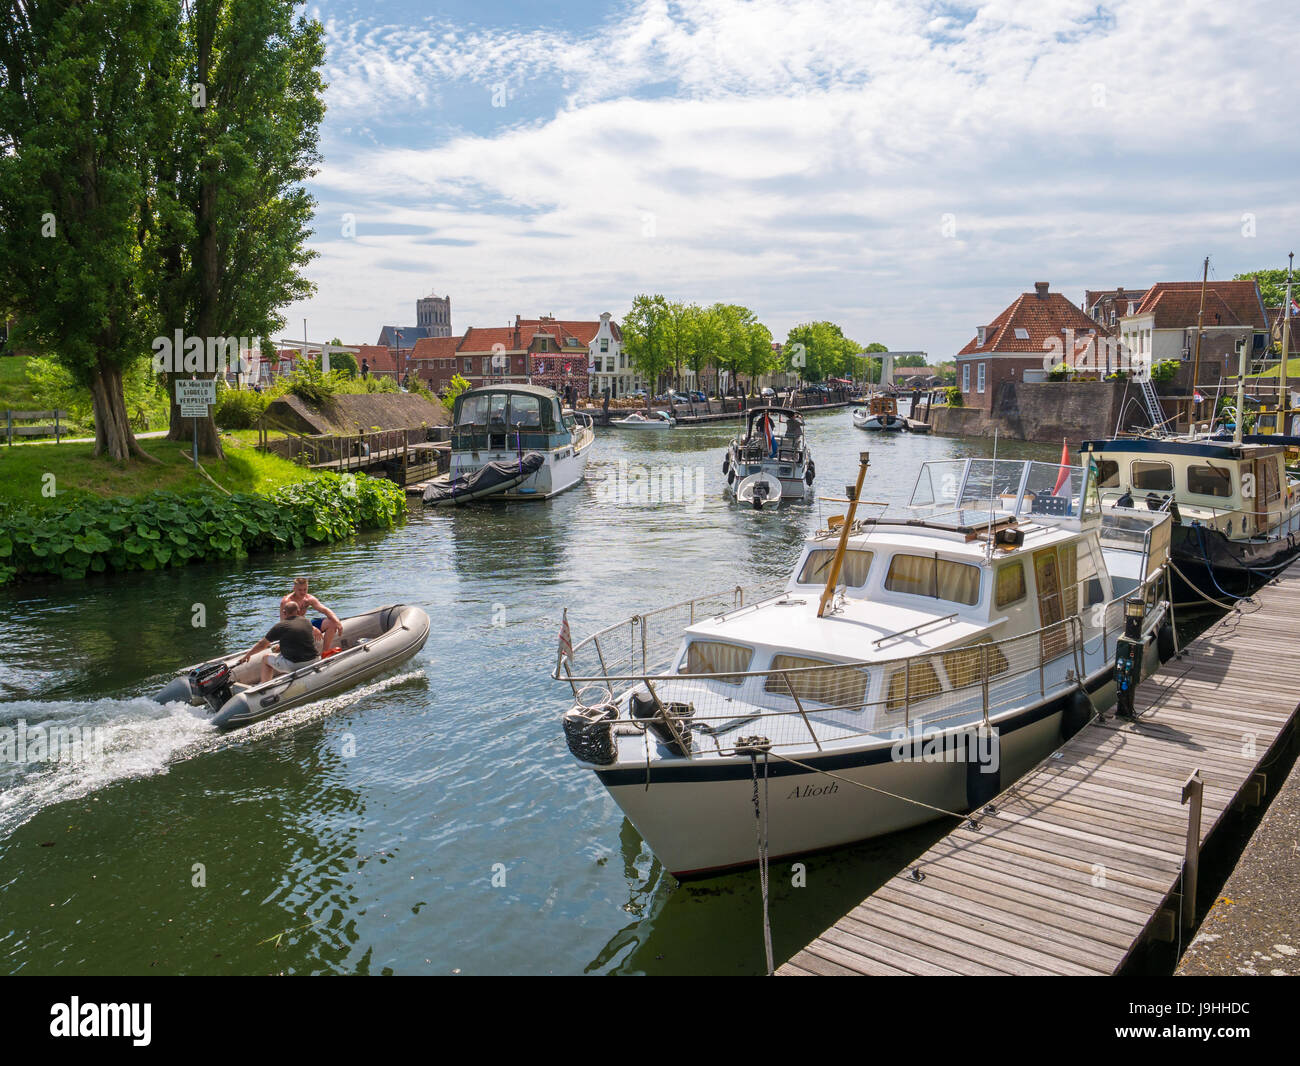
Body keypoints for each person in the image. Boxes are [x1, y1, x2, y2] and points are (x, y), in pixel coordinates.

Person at [241, 601, 319, 683]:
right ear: (298, 611)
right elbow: (299, 641)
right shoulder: (307, 622)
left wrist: (247, 655)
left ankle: (264, 686)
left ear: (284, 612)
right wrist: (281, 647)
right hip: (314, 659)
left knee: (265, 658)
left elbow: (262, 644)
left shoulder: (281, 626)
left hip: (295, 665)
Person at [280, 576, 342, 652]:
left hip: (305, 625)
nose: (303, 592)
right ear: (294, 589)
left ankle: (325, 653)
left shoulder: (308, 599)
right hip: (291, 629)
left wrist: (337, 621)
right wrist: (312, 628)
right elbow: (292, 621)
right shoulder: (287, 602)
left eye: (305, 589)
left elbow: (325, 610)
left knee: (332, 623)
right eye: (300, 590)